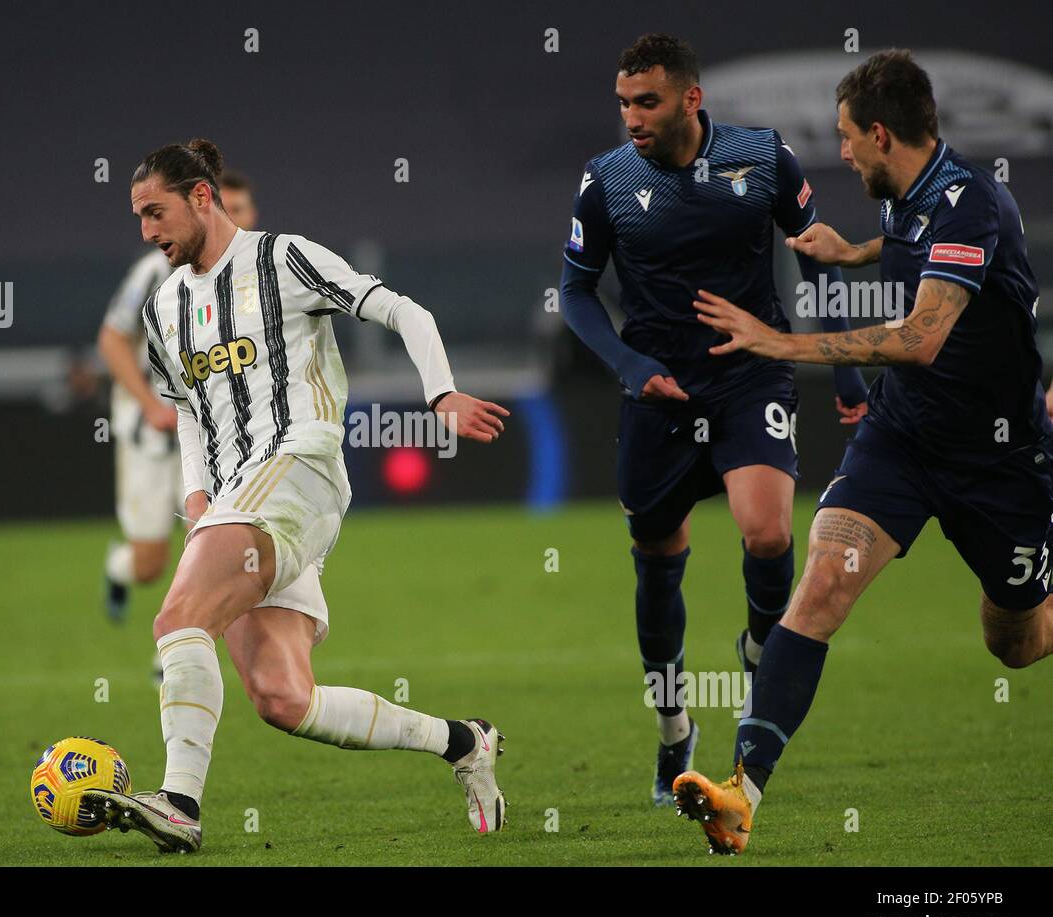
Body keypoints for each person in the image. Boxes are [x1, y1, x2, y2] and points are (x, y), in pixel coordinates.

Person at [83, 139, 512, 852]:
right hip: (234, 501)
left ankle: (180, 800)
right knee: (283, 699)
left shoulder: (284, 259)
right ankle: (465, 742)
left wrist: (440, 394)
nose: (146, 232)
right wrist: (195, 494)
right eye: (137, 218)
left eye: (155, 213)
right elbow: (186, 409)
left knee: (176, 618)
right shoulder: (163, 307)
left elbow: (402, 310)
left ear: (200, 197)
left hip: (298, 467)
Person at [676, 50, 1051, 854]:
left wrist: (776, 343)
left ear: (882, 135)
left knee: (1014, 642)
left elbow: (918, 339)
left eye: (848, 138)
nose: (840, 153)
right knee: (819, 588)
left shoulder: (972, 206)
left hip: (1000, 461)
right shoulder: (908, 196)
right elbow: (911, 251)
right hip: (903, 438)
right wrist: (853, 255)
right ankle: (740, 792)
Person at [559, 33, 867, 806]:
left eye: (648, 101)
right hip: (658, 392)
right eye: (624, 102)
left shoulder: (764, 158)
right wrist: (631, 367)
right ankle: (673, 734)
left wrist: (847, 369)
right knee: (658, 563)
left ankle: (763, 645)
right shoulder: (605, 180)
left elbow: (818, 256)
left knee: (767, 531)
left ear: (691, 99)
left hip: (749, 373)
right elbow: (575, 292)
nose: (632, 116)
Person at [100, 171, 260, 626]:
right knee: (148, 565)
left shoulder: (258, 276)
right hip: (150, 435)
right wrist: (151, 407)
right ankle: (119, 568)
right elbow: (112, 340)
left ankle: (175, 654)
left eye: (241, 208)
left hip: (212, 438)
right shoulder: (155, 272)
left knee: (208, 549)